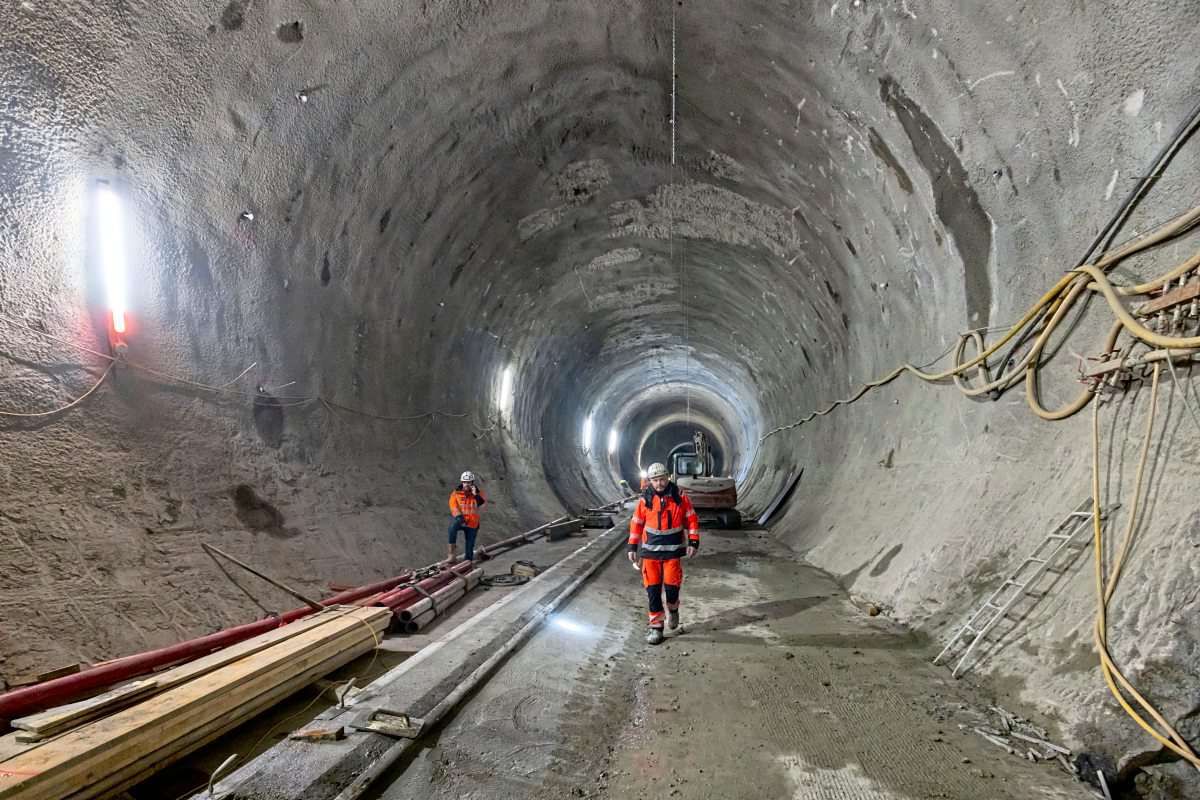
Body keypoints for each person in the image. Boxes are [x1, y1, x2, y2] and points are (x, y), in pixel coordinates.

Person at [627, 462, 700, 645]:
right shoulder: (645, 500)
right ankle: (656, 628)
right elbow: (636, 524)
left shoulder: (679, 497)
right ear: (649, 481)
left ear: (668, 477)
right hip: (650, 554)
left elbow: (691, 518)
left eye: (662, 479)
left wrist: (693, 541)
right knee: (652, 591)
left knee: (671, 589)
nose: (659, 484)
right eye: (655, 480)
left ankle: (673, 610)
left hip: (672, 553)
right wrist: (632, 547)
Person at [447, 470, 486, 563]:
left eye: (468, 482)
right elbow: (453, 505)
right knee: (452, 528)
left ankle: (468, 562)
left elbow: (482, 504)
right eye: (464, 482)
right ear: (462, 482)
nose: (466, 484)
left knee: (469, 546)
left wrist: (475, 494)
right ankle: (451, 554)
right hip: (461, 519)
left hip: (473, 522)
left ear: (472, 483)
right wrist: (458, 516)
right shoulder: (456, 493)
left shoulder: (479, 494)